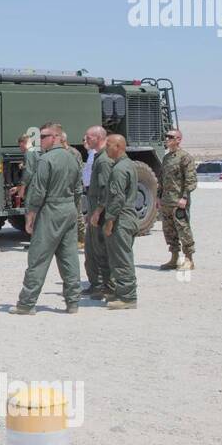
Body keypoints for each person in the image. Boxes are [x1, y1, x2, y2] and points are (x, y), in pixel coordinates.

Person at [10, 123, 82, 315]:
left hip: (51, 209)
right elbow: (78, 189)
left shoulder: (46, 160)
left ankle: (26, 303)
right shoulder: (73, 158)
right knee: (69, 257)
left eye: (43, 136)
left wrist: (30, 216)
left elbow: (38, 191)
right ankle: (73, 302)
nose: (39, 140)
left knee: (38, 257)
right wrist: (72, 208)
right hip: (69, 208)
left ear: (56, 136)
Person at [101, 134, 139, 309]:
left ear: (118, 147)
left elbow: (117, 198)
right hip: (127, 217)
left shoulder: (119, 169)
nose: (106, 148)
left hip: (121, 219)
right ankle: (121, 293)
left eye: (108, 145)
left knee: (122, 258)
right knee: (119, 257)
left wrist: (109, 221)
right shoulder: (127, 165)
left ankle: (128, 297)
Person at [157, 129, 197, 271]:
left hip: (179, 201)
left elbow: (191, 180)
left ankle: (189, 259)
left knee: (183, 229)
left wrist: (184, 197)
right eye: (166, 136)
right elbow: (162, 179)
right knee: (169, 231)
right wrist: (158, 197)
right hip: (166, 201)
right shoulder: (167, 158)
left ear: (179, 139)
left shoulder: (185, 157)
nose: (167, 139)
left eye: (170, 137)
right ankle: (174, 258)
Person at [83, 126, 112, 299]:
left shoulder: (103, 160)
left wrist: (98, 211)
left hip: (101, 214)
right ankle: (97, 285)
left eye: (88, 137)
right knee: (92, 249)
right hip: (95, 210)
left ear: (98, 138)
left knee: (101, 250)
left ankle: (106, 287)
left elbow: (106, 190)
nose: (85, 140)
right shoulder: (97, 157)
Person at [60, 130, 85, 250]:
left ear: (63, 140)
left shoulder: (73, 153)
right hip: (66, 188)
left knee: (77, 213)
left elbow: (78, 170)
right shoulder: (61, 152)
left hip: (74, 188)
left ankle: (82, 239)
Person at [9, 132, 36, 207]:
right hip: (36, 189)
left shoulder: (28, 154)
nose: (20, 149)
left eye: (20, 146)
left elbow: (28, 173)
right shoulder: (35, 153)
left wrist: (21, 189)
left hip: (31, 190)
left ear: (23, 143)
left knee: (30, 214)